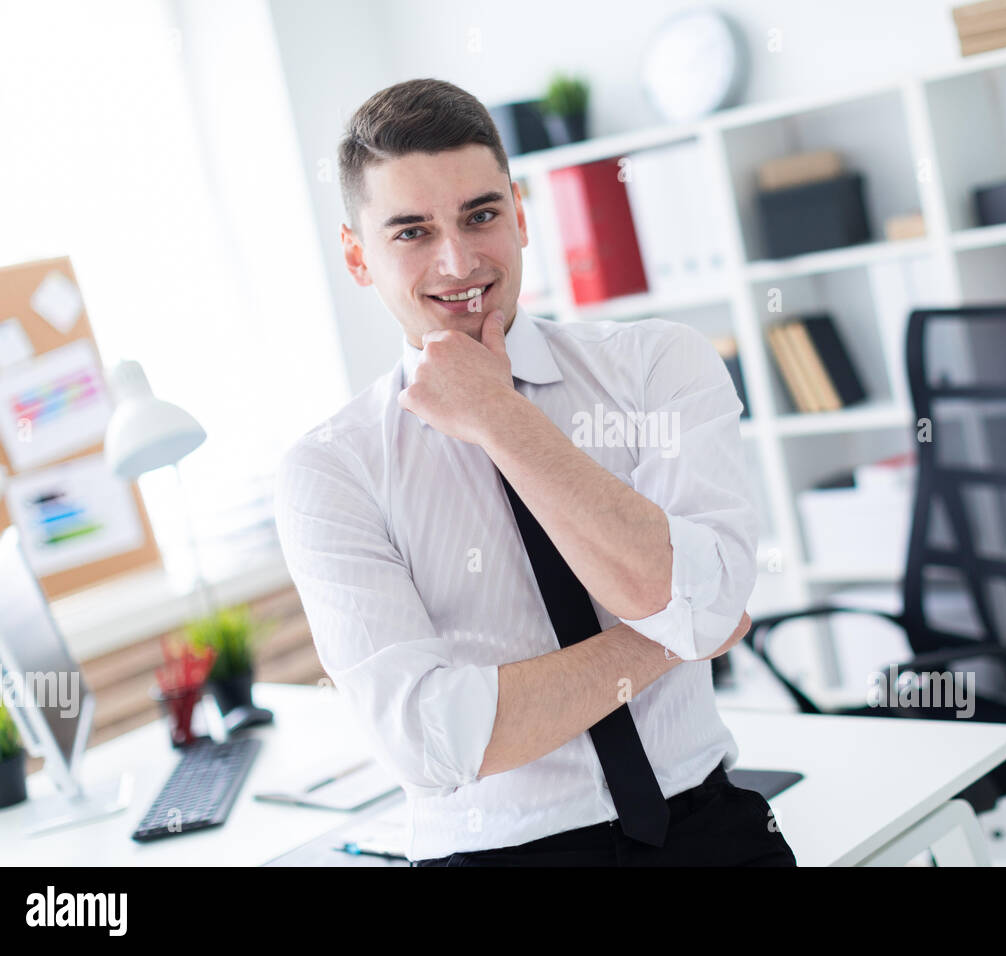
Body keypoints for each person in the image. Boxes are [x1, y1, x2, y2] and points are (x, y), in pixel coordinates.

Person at [274, 78, 795, 867]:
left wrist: (501, 417)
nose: (458, 261)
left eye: (481, 215)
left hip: (708, 830)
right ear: (357, 255)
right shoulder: (330, 470)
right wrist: (675, 634)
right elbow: (431, 741)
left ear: (520, 213)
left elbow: (704, 599)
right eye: (411, 232)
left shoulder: (658, 365)